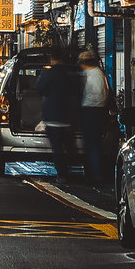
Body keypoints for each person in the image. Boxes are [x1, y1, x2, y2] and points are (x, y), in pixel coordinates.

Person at [33, 48, 81, 177]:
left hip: (52, 117)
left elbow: (39, 89)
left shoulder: (48, 73)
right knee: (70, 146)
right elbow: (78, 92)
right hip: (68, 118)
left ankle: (62, 174)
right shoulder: (71, 73)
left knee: (57, 148)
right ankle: (73, 170)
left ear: (52, 59)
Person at [77, 48, 114, 183]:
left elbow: (91, 95)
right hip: (98, 112)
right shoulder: (100, 74)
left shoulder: (92, 75)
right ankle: (94, 173)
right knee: (94, 144)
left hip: (92, 112)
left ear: (85, 62)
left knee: (92, 145)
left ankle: (95, 175)